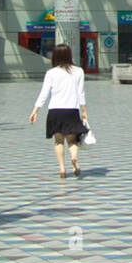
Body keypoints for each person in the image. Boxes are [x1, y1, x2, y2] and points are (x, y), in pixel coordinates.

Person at [29, 44, 89, 178]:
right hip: (71, 110)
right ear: (69, 55)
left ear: (55, 56)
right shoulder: (78, 71)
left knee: (58, 141)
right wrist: (84, 110)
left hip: (55, 111)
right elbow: (81, 93)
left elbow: (44, 93)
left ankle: (62, 168)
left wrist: (35, 110)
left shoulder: (51, 73)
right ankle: (74, 158)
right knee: (72, 140)